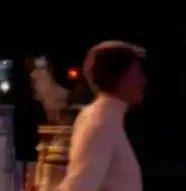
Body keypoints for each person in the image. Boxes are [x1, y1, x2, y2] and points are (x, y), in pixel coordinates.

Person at [58, 42, 146, 191]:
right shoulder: (101, 122)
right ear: (120, 77)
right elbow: (79, 186)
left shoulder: (107, 119)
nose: (143, 81)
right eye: (136, 74)